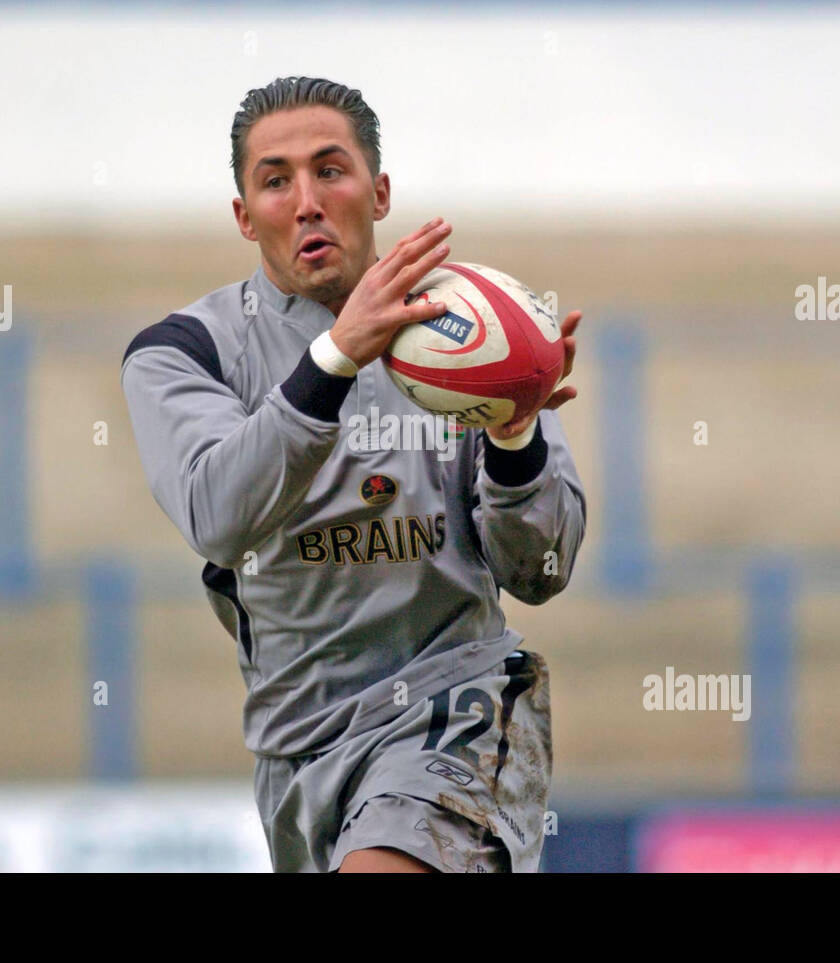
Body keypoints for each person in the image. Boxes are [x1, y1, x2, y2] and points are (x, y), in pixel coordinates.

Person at [121, 76, 586, 872]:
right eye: (275, 180)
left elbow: (541, 569)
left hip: (453, 708)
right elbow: (218, 514)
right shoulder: (182, 353)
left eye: (330, 171)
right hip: (297, 745)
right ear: (244, 215)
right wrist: (333, 358)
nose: (305, 200)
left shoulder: (471, 335)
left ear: (378, 192)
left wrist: (515, 439)